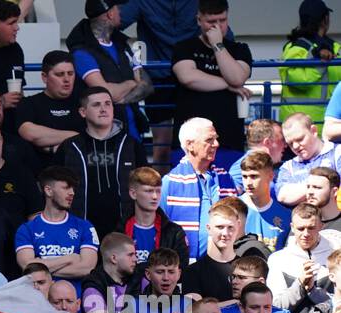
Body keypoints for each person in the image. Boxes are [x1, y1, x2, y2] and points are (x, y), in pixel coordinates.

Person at [171, 0, 252, 155]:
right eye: (211, 22)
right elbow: (188, 78)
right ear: (198, 20)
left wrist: (217, 45)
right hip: (190, 142)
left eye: (222, 20)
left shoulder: (239, 49)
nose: (217, 26)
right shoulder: (184, 47)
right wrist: (228, 85)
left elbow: (236, 78)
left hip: (228, 139)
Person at [59, 87, 143, 235]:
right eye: (96, 105)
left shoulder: (131, 144)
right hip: (79, 230)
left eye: (108, 104)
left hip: (125, 231)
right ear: (83, 112)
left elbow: (145, 185)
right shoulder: (69, 146)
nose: (103, 109)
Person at [67, 0, 152, 141]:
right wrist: (131, 84)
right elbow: (106, 93)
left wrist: (121, 99)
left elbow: (147, 85)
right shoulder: (82, 52)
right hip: (105, 138)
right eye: (119, 9)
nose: (122, 13)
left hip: (133, 133)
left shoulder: (124, 45)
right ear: (111, 13)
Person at [160, 117, 239, 260]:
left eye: (216, 139)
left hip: (222, 263)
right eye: (209, 140)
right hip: (184, 264)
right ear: (190, 145)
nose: (216, 144)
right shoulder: (169, 182)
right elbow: (160, 228)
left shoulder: (225, 178)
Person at [14, 167, 100, 283]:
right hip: (40, 298)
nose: (72, 193)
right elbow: (28, 268)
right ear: (48, 191)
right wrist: (69, 258)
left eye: (73, 188)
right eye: (66, 188)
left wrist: (41, 263)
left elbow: (87, 268)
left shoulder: (85, 227)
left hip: (74, 299)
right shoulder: (27, 229)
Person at [16, 50, 85, 160]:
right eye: (59, 74)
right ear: (44, 77)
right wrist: (77, 137)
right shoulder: (29, 103)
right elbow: (30, 133)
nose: (67, 79)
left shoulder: (84, 102)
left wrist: (52, 145)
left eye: (70, 73)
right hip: (43, 171)